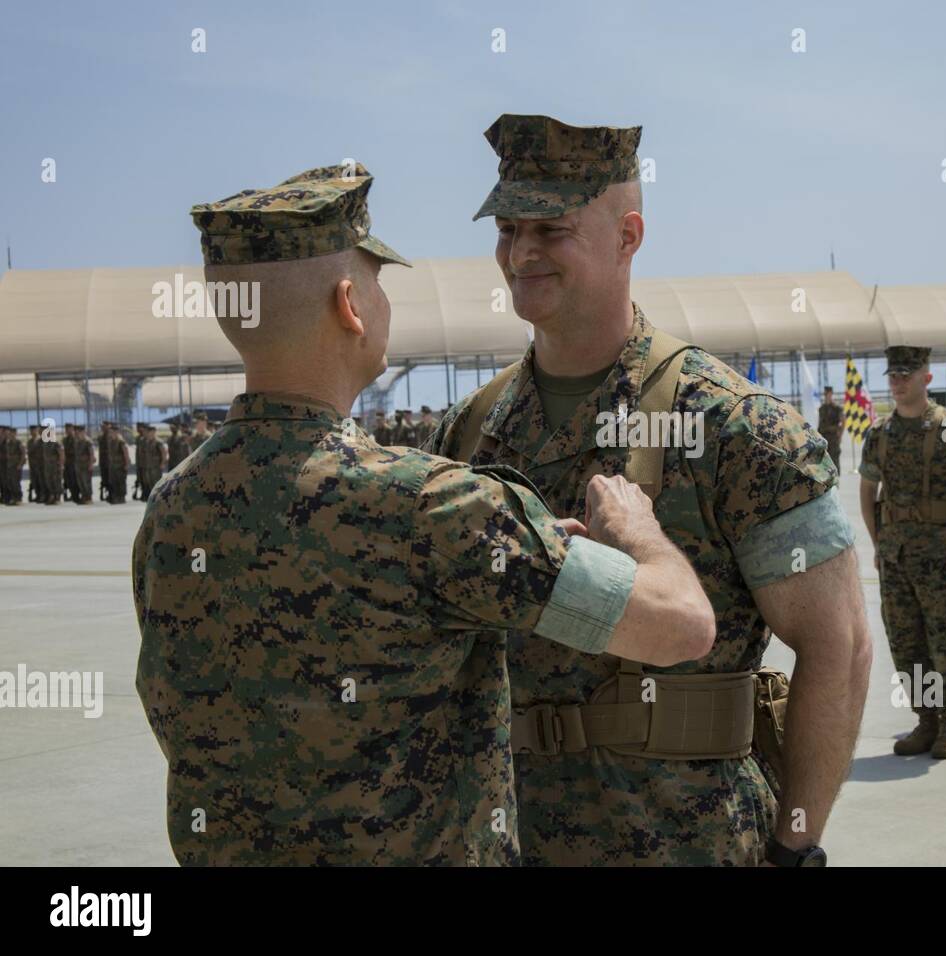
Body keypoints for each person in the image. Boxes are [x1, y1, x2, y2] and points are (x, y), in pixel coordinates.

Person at [135, 161, 714, 866]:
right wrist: (635, 530)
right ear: (350, 304)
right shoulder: (437, 507)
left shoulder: (172, 509)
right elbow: (680, 626)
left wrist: (515, 551)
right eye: (378, 280)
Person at [428, 114, 871, 867]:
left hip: (686, 841)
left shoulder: (736, 426)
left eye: (551, 229)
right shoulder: (469, 433)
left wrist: (795, 846)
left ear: (628, 236)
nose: (520, 252)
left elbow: (840, 645)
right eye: (508, 228)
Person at [859, 346, 946, 759]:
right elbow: (867, 491)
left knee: (945, 639)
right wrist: (878, 543)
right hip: (896, 554)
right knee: (905, 641)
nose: (897, 383)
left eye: (905, 376)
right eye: (893, 376)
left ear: (926, 379)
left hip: (939, 553)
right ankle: (925, 719)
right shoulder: (880, 434)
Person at [818, 386, 845, 472]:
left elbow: (843, 422)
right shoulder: (821, 408)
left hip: (833, 438)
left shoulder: (837, 408)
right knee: (824, 461)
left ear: (831, 394)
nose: (827, 396)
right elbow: (820, 423)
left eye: (828, 394)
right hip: (823, 437)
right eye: (825, 394)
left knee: (834, 460)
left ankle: (836, 481)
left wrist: (840, 436)